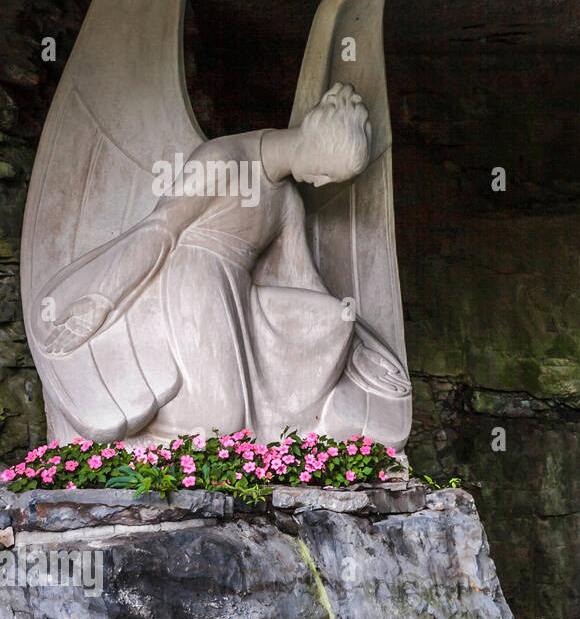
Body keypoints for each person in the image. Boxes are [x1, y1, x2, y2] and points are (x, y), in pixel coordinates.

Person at [35, 82, 410, 446]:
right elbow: (159, 230)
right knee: (222, 423)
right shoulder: (222, 160)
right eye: (326, 170)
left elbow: (306, 283)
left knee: (333, 319)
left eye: (333, 179)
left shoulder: (288, 202)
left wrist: (359, 346)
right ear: (311, 139)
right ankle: (136, 452)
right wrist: (101, 299)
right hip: (191, 280)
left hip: (238, 293)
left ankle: (297, 436)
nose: (322, 182)